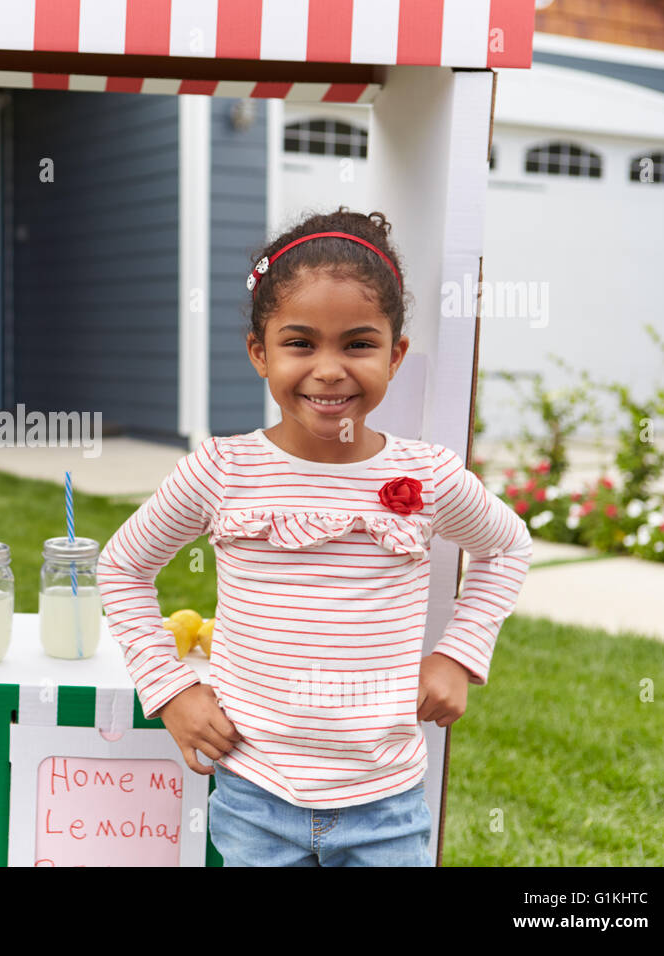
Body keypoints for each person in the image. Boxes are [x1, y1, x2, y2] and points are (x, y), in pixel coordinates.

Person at [97, 207, 533, 867]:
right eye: (300, 343)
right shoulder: (222, 470)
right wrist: (174, 690)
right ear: (259, 352)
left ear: (396, 353)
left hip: (385, 804)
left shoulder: (429, 475)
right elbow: (123, 568)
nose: (329, 369)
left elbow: (506, 548)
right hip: (253, 795)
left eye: (357, 344)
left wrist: (456, 656)